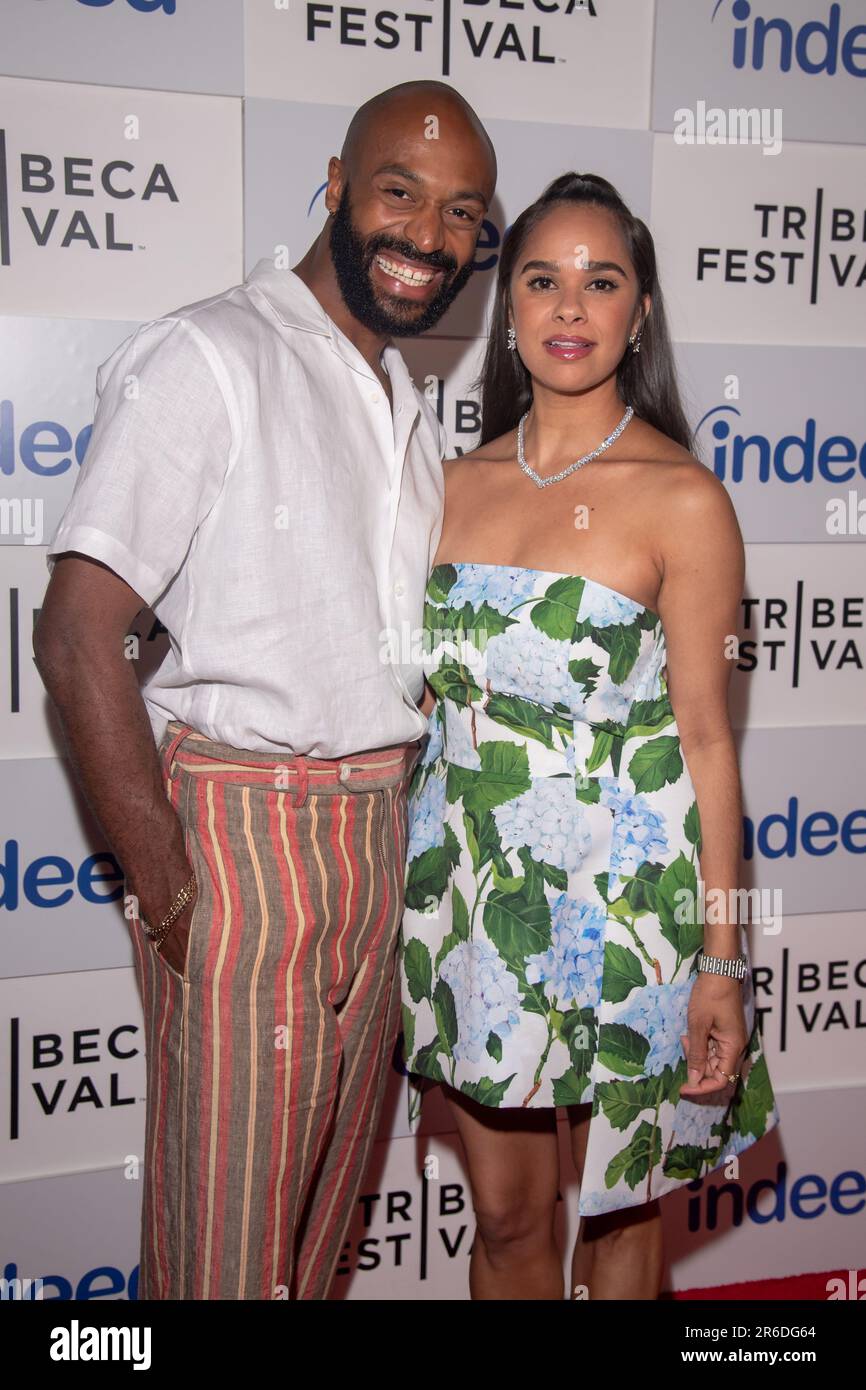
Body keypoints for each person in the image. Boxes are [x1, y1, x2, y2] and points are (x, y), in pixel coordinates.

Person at [33, 80, 496, 1301]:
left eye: (461, 214)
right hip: (239, 843)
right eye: (398, 191)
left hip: (376, 845)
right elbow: (78, 635)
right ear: (337, 188)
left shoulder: (402, 402)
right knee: (222, 1262)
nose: (426, 235)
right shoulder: (207, 352)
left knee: (312, 1249)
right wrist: (173, 891)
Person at [399, 172, 780, 1301]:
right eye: (541, 280)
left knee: (616, 1223)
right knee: (509, 1221)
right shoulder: (443, 485)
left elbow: (710, 745)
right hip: (476, 897)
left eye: (600, 282)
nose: (569, 309)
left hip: (624, 906)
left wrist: (722, 962)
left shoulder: (682, 499)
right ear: (505, 307)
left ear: (639, 311)